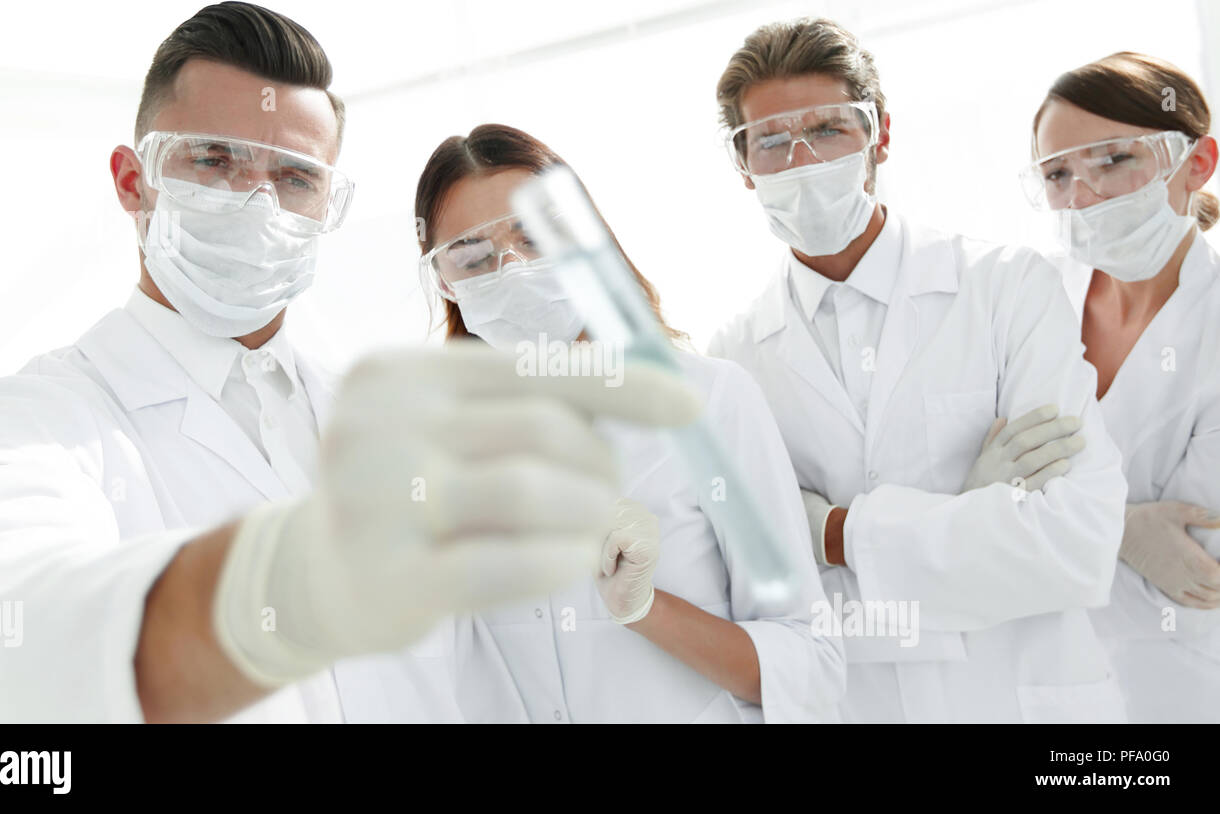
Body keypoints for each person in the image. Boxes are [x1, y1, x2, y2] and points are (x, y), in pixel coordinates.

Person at [0, 2, 699, 723]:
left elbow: (490, 684)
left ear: (326, 205)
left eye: (295, 177)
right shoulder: (27, 423)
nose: (258, 201)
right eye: (215, 160)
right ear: (134, 181)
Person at [707, 17, 1129, 722]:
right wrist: (965, 520)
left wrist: (832, 536)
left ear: (881, 135)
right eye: (773, 141)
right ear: (744, 167)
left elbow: (1077, 544)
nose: (804, 159)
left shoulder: (1006, 288)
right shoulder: (732, 359)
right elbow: (761, 594)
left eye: (831, 130)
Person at [393, 123, 844, 723]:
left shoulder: (709, 401)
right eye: (474, 257)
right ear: (447, 284)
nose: (513, 268)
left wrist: (645, 607)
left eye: (536, 237)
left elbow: (811, 668)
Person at [1026, 52, 1220, 722]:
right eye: (1058, 174)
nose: (1085, 196)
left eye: (1114, 160)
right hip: (1035, 692)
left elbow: (1200, 573)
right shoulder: (1029, 302)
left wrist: (1041, 527)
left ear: (1196, 163)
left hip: (1180, 694)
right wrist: (1120, 534)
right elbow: (960, 505)